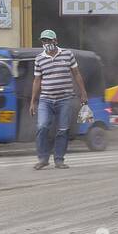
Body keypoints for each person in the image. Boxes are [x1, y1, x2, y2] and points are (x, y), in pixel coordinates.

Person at [29, 29, 87, 170]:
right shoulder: (39, 59)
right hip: (46, 100)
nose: (46, 43)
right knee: (42, 127)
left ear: (56, 41)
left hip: (65, 99)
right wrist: (33, 101)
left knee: (62, 129)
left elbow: (76, 74)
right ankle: (43, 159)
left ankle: (59, 160)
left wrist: (83, 92)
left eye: (49, 40)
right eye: (44, 41)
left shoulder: (67, 54)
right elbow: (37, 81)